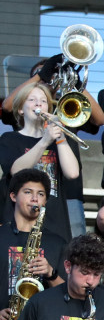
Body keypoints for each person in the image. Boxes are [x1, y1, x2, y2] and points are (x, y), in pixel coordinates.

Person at [0, 168, 65, 320]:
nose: (35, 198)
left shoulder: (57, 242)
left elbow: (68, 293)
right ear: (13, 196)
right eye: (28, 192)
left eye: (40, 193)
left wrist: (50, 272)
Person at [0, 82, 79, 242]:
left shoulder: (59, 140)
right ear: (21, 109)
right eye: (32, 100)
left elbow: (72, 173)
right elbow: (16, 171)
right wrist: (44, 141)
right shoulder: (9, 139)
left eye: (43, 101)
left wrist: (60, 136)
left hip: (54, 218)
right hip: (20, 220)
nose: (38, 104)